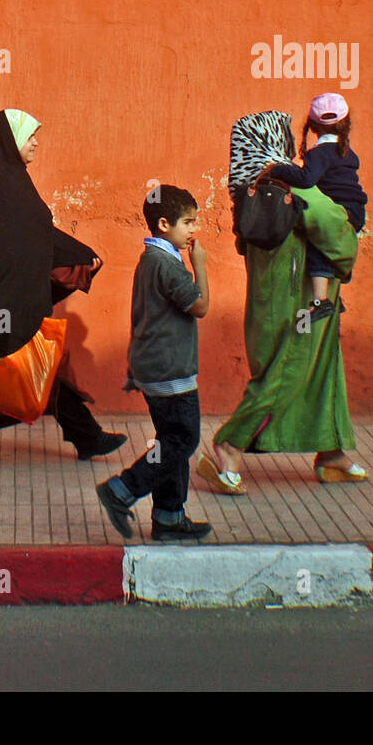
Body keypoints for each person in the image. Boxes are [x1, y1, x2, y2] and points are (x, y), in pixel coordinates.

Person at [0, 109, 127, 462]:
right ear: (9, 141)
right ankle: (87, 437)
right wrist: (73, 258)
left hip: (0, 298)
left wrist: (76, 255)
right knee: (33, 363)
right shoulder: (0, 188)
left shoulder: (2, 182)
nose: (36, 142)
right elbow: (23, 240)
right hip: (3, 300)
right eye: (29, 136)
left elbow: (34, 238)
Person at [195, 110, 367, 496]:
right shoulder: (288, 181)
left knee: (321, 371)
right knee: (288, 371)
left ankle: (331, 451)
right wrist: (346, 249)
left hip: (270, 301)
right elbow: (335, 227)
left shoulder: (249, 187)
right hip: (300, 301)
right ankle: (230, 443)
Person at [96, 185, 214, 542]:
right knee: (184, 439)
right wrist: (200, 266)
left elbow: (142, 315)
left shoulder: (149, 260)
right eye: (188, 222)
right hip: (171, 372)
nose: (194, 230)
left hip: (153, 367)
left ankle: (169, 516)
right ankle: (122, 489)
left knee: (170, 440)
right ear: (164, 223)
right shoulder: (168, 265)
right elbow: (201, 306)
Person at [258, 91, 366, 324]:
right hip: (356, 211)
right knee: (330, 245)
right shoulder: (347, 153)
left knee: (317, 243)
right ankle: (335, 293)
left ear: (313, 126)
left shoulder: (320, 153)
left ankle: (320, 300)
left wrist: (277, 169)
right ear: (346, 123)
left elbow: (307, 179)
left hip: (339, 210)